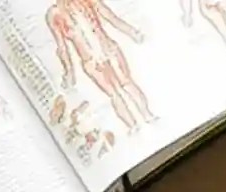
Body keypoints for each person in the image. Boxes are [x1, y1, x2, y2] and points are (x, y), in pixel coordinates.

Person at [47, 0, 156, 133]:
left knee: (127, 83)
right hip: (90, 62)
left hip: (109, 48)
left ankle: (147, 115)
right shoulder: (54, 14)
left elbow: (111, 17)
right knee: (113, 93)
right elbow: (62, 47)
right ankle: (132, 126)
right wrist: (69, 72)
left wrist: (132, 32)